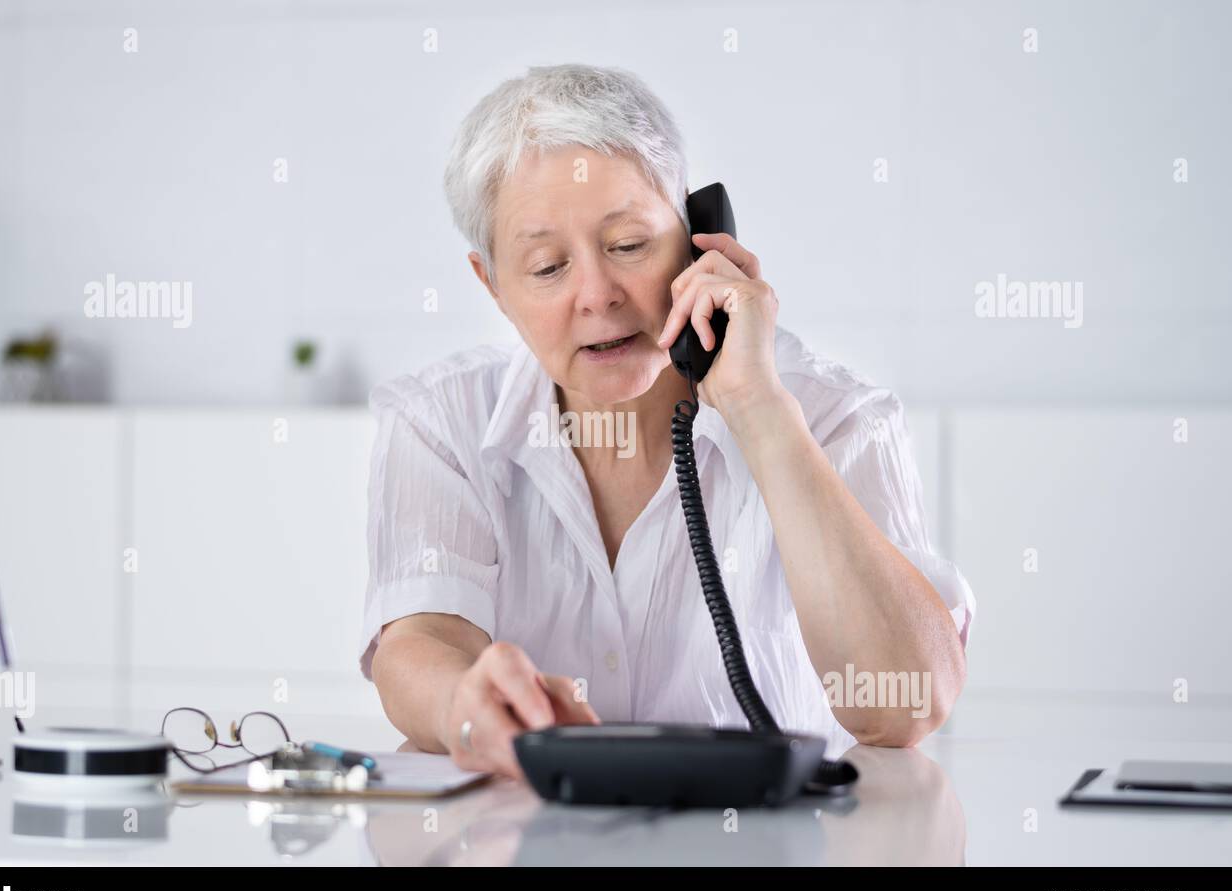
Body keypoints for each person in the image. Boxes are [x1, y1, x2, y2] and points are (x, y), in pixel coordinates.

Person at [360, 64, 975, 781]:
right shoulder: (442, 422)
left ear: (699, 238)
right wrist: (462, 703)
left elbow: (906, 706)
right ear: (491, 285)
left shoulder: (839, 417)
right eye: (548, 266)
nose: (597, 295)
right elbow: (420, 639)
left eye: (628, 245)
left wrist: (759, 410)